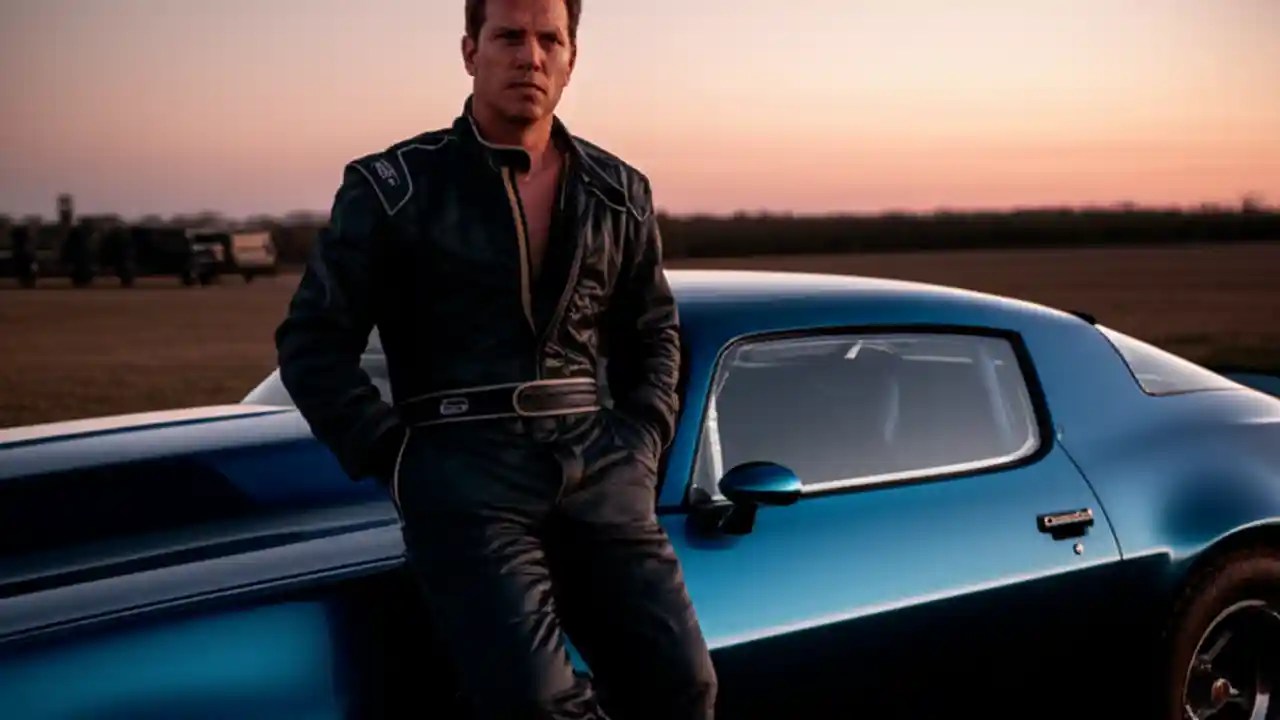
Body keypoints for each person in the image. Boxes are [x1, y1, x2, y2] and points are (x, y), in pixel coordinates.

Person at [273, 0, 718, 718]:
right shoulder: (393, 187)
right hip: (463, 469)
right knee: (534, 705)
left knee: (682, 687)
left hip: (601, 467)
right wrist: (396, 457)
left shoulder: (620, 191)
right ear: (470, 51)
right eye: (509, 36)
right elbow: (312, 342)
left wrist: (642, 441)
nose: (529, 57)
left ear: (571, 59)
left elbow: (654, 334)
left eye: (549, 40)